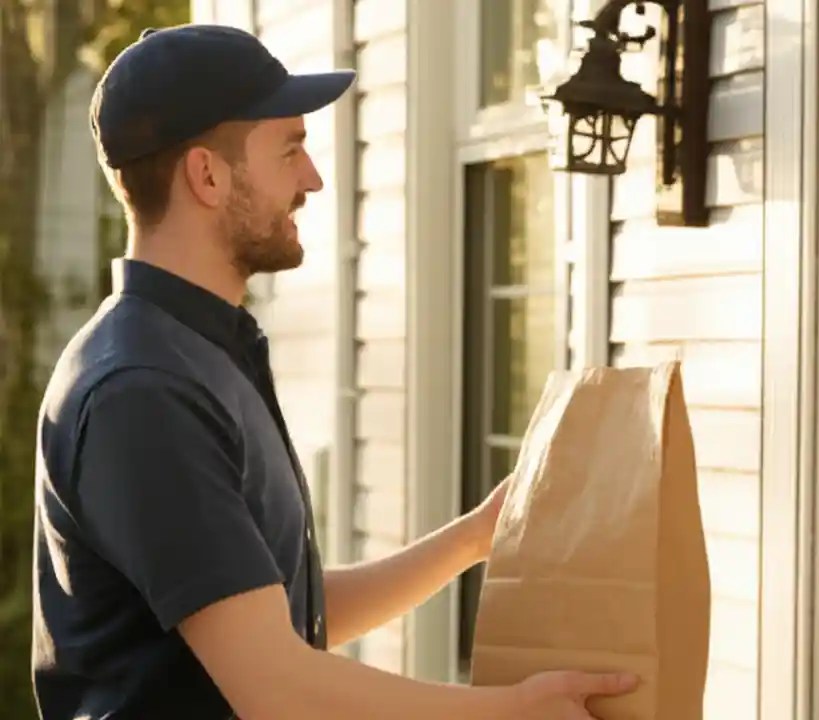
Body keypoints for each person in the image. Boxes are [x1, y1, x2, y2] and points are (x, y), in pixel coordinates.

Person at [31, 24, 636, 720]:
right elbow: (277, 685)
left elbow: (278, 617)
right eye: (290, 149)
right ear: (207, 175)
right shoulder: (142, 390)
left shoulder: (194, 353)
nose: (313, 179)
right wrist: (507, 712)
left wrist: (474, 537)